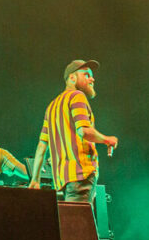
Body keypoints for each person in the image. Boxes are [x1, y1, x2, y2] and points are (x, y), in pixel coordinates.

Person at [28, 59, 118, 205]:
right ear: (72, 77)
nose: (92, 78)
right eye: (86, 74)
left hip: (62, 180)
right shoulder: (77, 96)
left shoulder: (51, 107)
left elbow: (42, 146)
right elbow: (83, 131)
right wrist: (108, 139)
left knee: (70, 224)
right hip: (81, 175)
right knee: (78, 225)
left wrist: (35, 179)